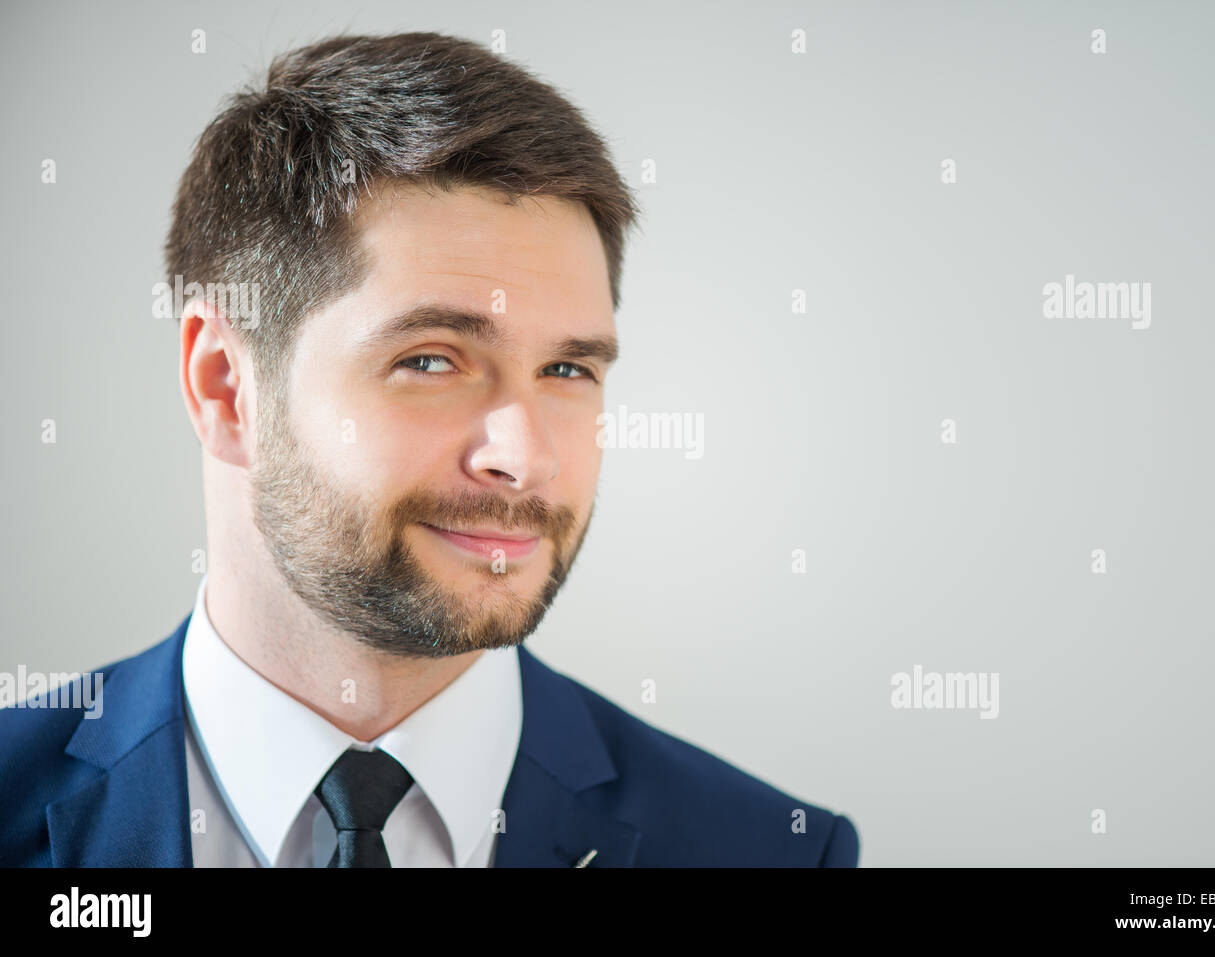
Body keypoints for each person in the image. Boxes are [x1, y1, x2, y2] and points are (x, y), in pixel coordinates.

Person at [0, 31, 858, 867]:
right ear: (226, 384)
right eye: (430, 360)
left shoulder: (761, 848)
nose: (525, 458)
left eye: (567, 367)